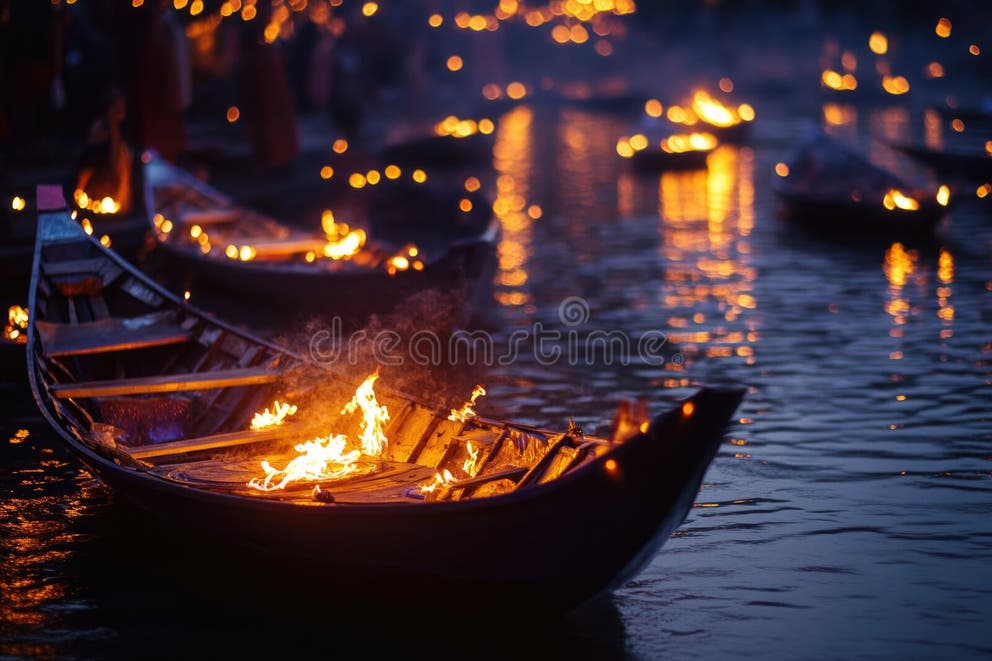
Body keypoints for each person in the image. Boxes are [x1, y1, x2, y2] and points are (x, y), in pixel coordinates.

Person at [75, 87, 133, 214]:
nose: (120, 113)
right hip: (98, 184)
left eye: (122, 109)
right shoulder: (99, 129)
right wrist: (79, 189)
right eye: (116, 108)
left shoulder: (120, 131)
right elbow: (89, 161)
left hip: (115, 185)